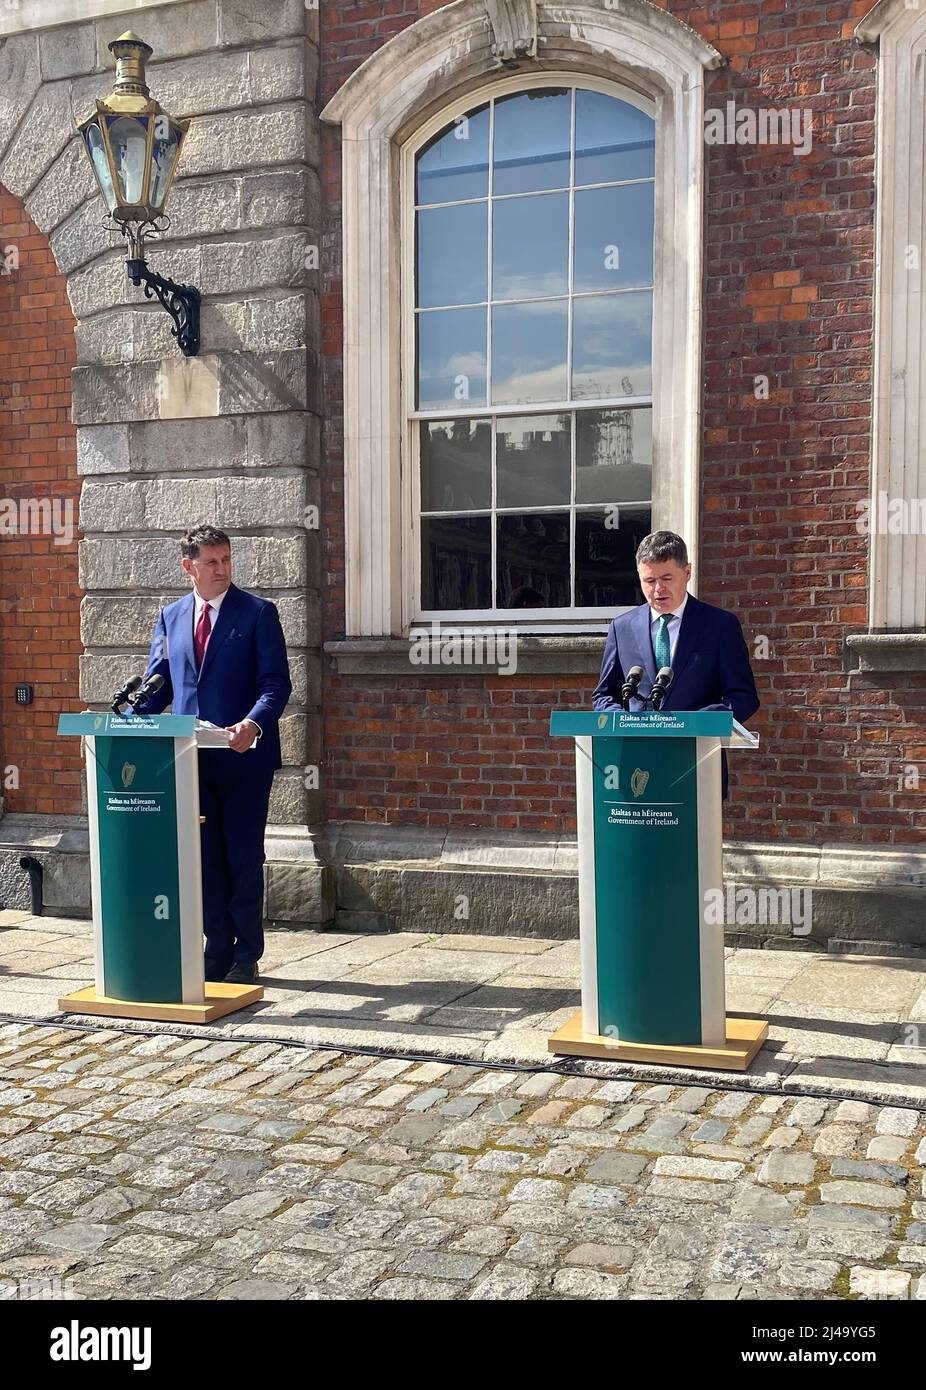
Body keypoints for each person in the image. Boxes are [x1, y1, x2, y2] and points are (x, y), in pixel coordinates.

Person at [139, 525, 292, 983]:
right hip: (191, 761)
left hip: (243, 757)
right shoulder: (170, 617)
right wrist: (131, 717)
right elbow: (159, 682)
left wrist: (253, 723)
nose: (221, 568)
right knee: (203, 857)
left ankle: (247, 954)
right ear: (188, 566)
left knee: (242, 855)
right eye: (211, 561)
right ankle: (216, 948)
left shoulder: (258, 614)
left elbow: (276, 684)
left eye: (225, 559)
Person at [592, 530, 759, 796]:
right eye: (649, 580)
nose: (658, 589)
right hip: (635, 766)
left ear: (688, 572)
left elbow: (744, 697)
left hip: (696, 763)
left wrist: (696, 724)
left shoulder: (719, 626)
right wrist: (621, 721)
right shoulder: (621, 628)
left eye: (667, 578)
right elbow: (603, 695)